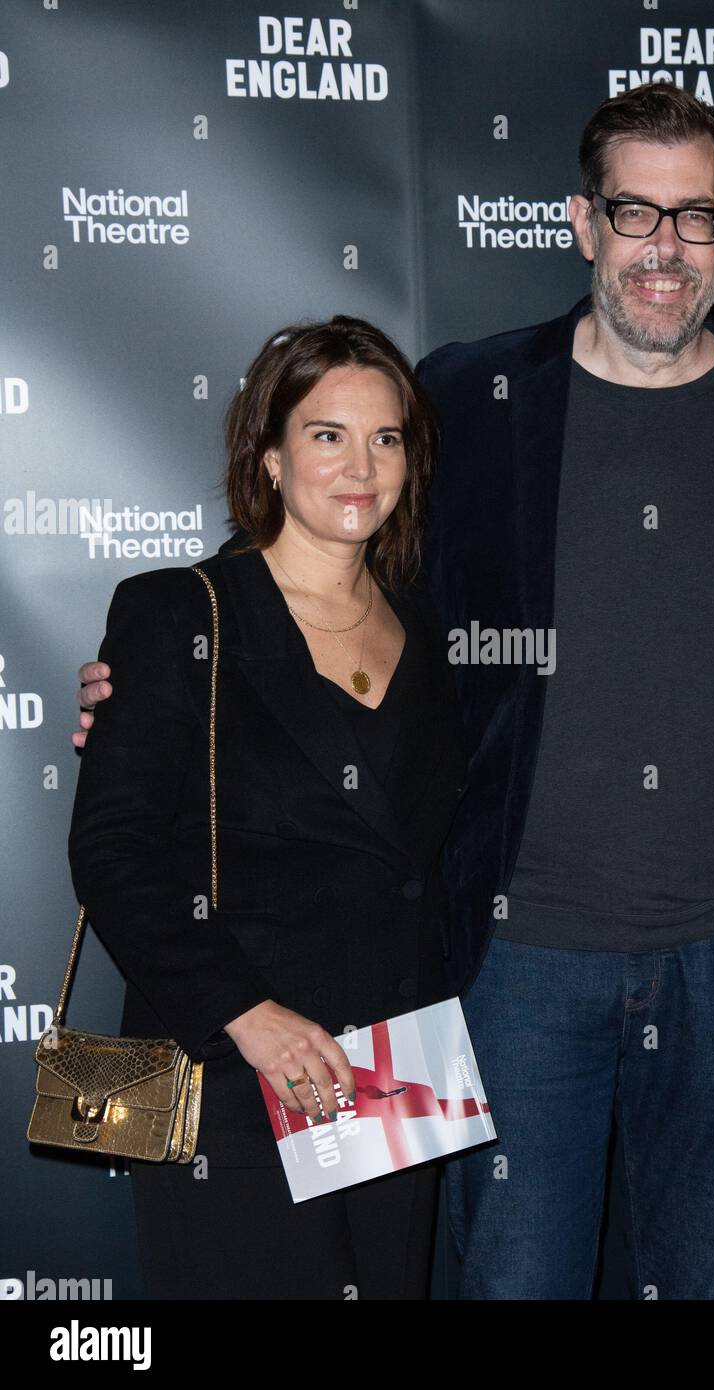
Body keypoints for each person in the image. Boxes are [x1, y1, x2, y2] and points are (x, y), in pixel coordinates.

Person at [77, 83, 714, 1301]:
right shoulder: (466, 400)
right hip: (500, 966)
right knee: (500, 1284)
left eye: (694, 216)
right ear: (581, 223)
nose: (662, 247)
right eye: (633, 211)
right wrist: (142, 690)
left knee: (705, 1276)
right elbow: (334, 591)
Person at [67, 316, 470, 1300]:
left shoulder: (430, 626)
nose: (360, 466)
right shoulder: (178, 611)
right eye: (328, 434)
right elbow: (113, 851)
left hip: (388, 1060)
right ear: (270, 454)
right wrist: (247, 1015)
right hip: (225, 1067)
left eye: (387, 438)